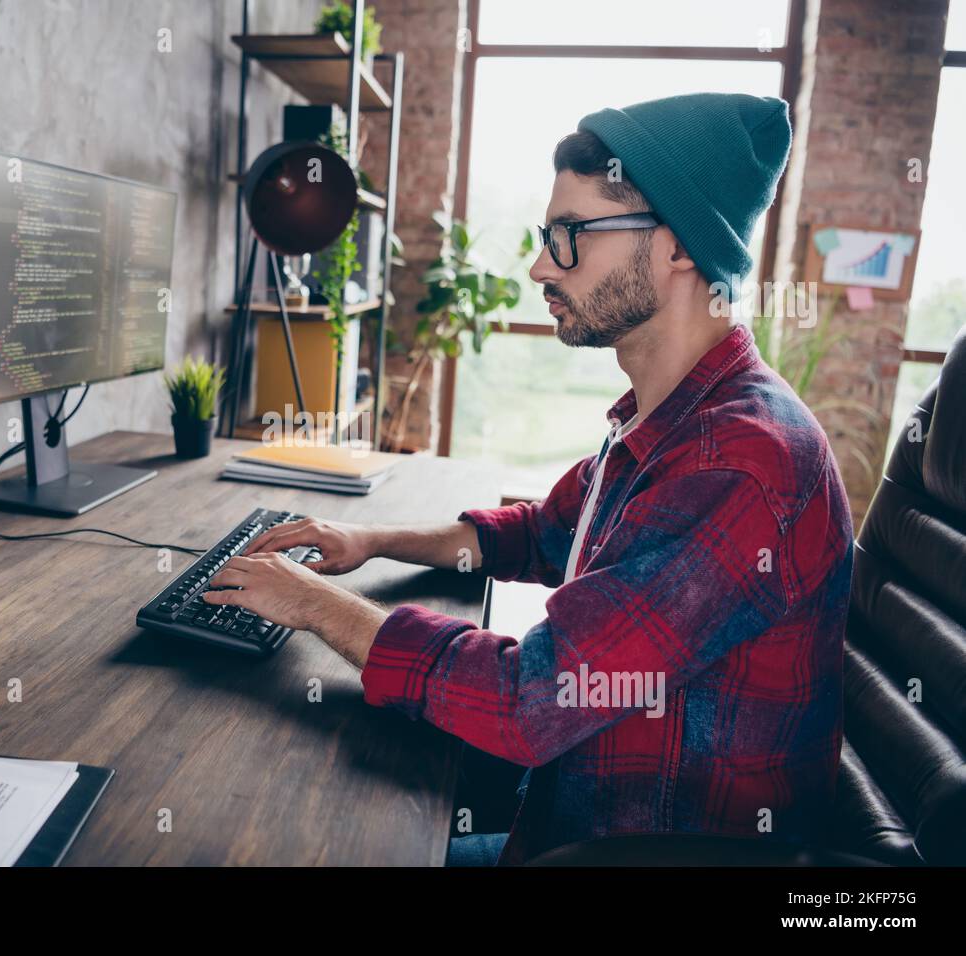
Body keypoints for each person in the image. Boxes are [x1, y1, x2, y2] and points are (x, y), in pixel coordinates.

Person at [204, 92, 854, 866]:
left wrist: (313, 604)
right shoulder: (667, 418)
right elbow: (546, 532)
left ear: (681, 247)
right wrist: (368, 540)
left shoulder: (739, 463)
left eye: (570, 236)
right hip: (566, 810)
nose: (542, 265)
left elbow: (531, 702)